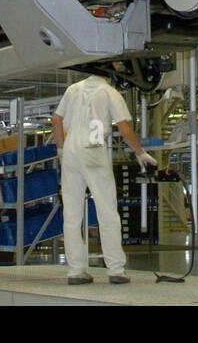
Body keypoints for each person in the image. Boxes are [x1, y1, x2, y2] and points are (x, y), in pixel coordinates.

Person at [51, 75, 156, 286]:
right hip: (94, 147)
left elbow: (56, 120)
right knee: (107, 210)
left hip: (71, 148)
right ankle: (116, 269)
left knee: (71, 215)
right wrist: (140, 153)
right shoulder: (110, 92)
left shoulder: (72, 89)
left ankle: (75, 271)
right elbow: (124, 128)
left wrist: (62, 149)